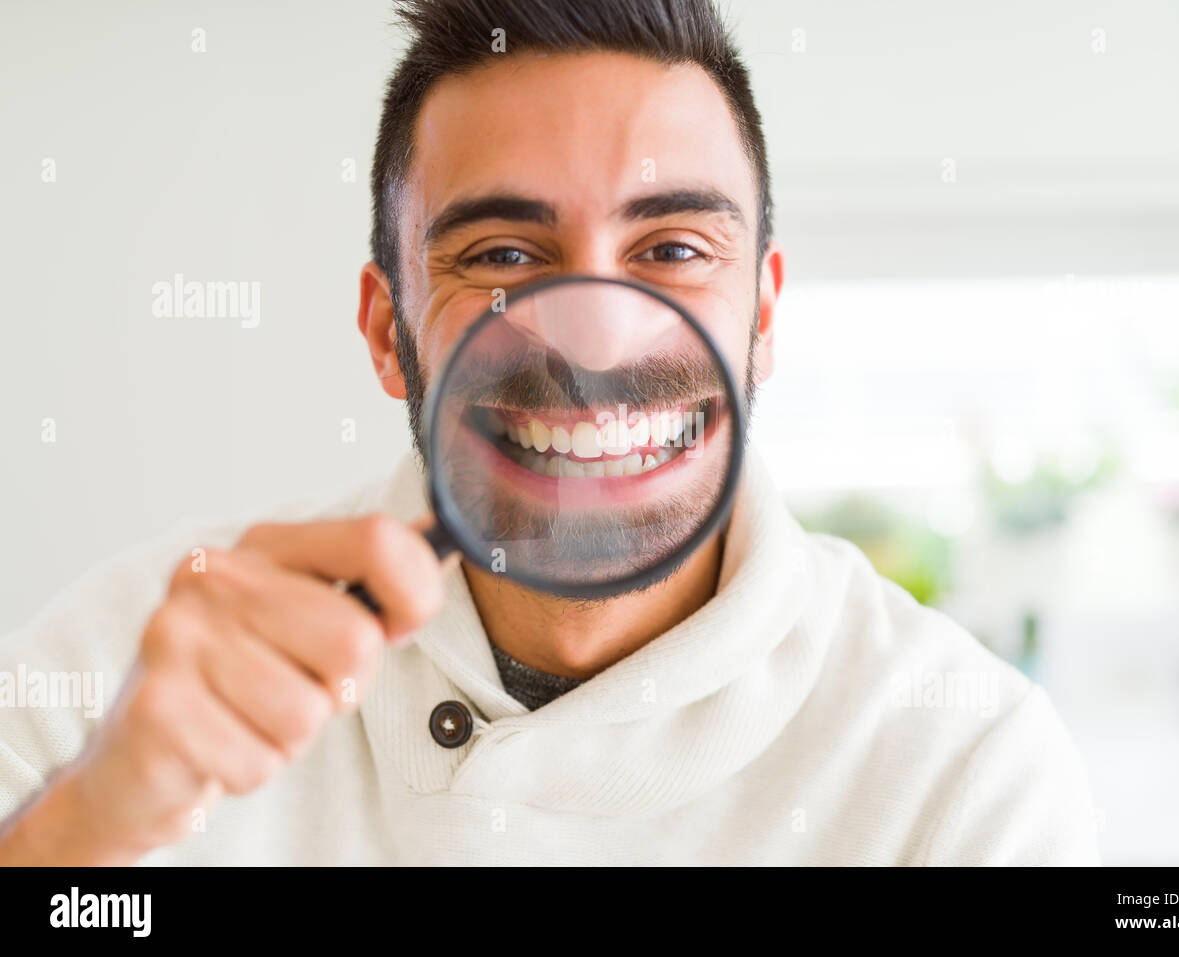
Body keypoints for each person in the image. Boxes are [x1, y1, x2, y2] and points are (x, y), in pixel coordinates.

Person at [0, 0, 1101, 865]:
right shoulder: (122, 673)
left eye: (671, 250)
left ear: (761, 318)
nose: (595, 343)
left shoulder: (958, 764)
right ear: (388, 333)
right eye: (502, 257)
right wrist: (84, 834)